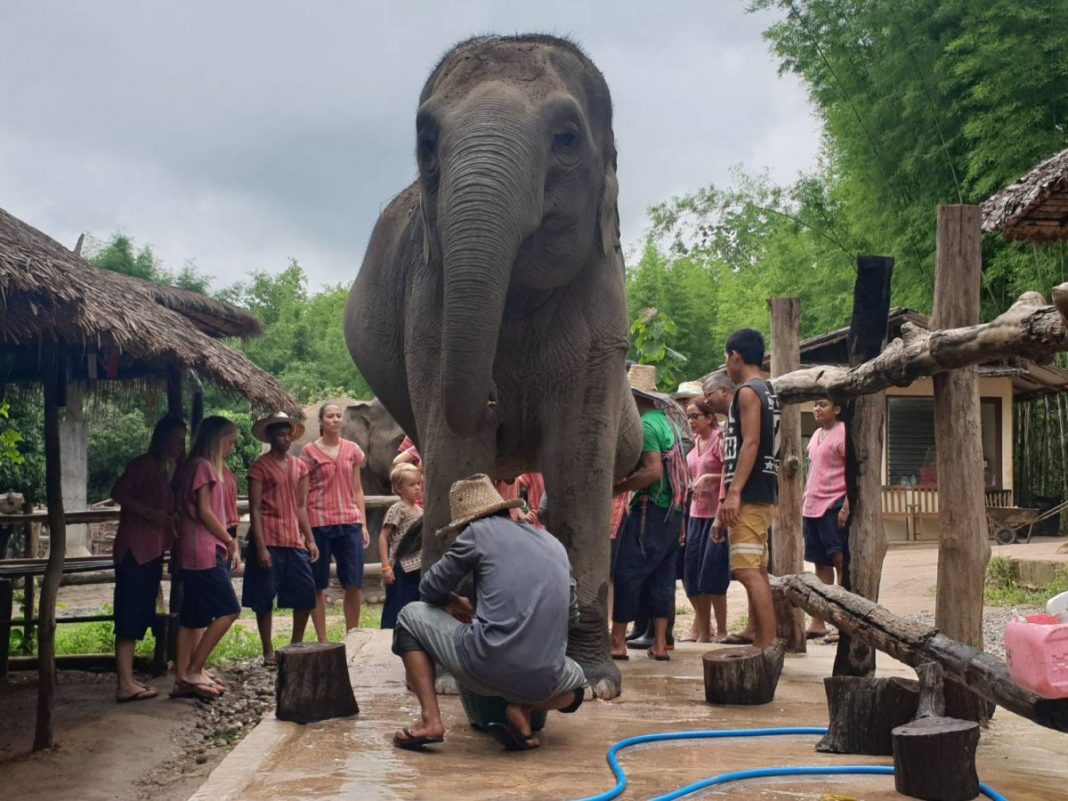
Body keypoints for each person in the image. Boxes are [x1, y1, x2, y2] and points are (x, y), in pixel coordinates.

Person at [391, 474, 586, 752]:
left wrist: (456, 603)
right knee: (577, 686)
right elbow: (571, 616)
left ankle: (430, 720)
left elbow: (430, 589)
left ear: (468, 522)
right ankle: (525, 708)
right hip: (546, 676)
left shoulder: (477, 532)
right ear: (507, 510)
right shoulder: (552, 543)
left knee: (409, 616)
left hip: (485, 664)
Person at [610, 364, 686, 662]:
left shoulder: (646, 426)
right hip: (673, 512)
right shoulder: (668, 422)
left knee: (626, 571)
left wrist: (621, 487)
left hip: (649, 509)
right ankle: (659, 644)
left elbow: (653, 471)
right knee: (661, 576)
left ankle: (616, 641)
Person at [111, 416, 187, 703]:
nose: (180, 445)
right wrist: (149, 513)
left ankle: (128, 678)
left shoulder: (166, 468)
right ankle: (125, 683)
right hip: (135, 549)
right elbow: (118, 493)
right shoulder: (143, 465)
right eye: (176, 439)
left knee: (140, 610)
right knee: (129, 612)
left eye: (183, 440)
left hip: (151, 550)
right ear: (162, 437)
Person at [715, 329, 781, 651]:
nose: (727, 365)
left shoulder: (748, 392)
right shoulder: (768, 390)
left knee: (745, 569)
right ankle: (758, 631)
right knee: (756, 567)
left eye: (726, 359)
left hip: (752, 493)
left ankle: (766, 646)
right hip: (760, 490)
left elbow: (751, 442)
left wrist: (735, 492)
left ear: (735, 357)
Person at [171, 416, 242, 699]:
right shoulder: (203, 467)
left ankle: (182, 677)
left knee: (193, 615)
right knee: (229, 609)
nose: (233, 448)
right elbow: (204, 511)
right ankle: (193, 669)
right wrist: (228, 539)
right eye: (230, 442)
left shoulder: (194, 466)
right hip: (204, 547)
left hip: (194, 547)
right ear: (216, 440)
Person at [245, 412, 319, 665]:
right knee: (264, 598)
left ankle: (294, 645)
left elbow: (301, 506)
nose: (286, 439)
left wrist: (310, 539)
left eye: (288, 434)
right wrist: (261, 547)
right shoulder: (259, 467)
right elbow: (254, 508)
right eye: (280, 434)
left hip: (293, 539)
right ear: (270, 437)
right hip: (269, 538)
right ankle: (267, 650)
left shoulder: (300, 467)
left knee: (306, 593)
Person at [300, 402, 369, 637]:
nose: (335, 420)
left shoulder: (353, 450)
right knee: (318, 583)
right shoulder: (309, 452)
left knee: (353, 581)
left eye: (339, 416)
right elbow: (304, 493)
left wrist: (363, 524)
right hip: (318, 522)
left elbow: (357, 489)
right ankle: (323, 638)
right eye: (330, 416)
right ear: (321, 421)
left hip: (349, 520)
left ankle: (352, 633)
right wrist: (305, 531)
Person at [682, 398, 729, 642]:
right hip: (694, 515)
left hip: (715, 515)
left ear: (709, 417)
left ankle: (721, 629)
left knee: (713, 574)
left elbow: (730, 473)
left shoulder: (719, 441)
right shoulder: (694, 444)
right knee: (691, 575)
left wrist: (708, 477)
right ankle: (703, 627)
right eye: (689, 417)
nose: (691, 421)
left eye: (695, 416)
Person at [802, 397, 849, 640]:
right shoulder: (816, 435)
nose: (816, 409)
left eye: (823, 404)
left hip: (833, 504)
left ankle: (842, 622)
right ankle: (818, 620)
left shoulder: (842, 433)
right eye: (815, 405)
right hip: (812, 505)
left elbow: (852, 472)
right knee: (820, 564)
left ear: (837, 408)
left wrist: (847, 506)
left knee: (840, 562)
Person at [380, 463, 424, 629]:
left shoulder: (420, 511)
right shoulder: (397, 509)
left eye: (419, 484)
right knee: (396, 602)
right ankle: (388, 632)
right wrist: (386, 567)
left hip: (417, 567)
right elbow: (384, 537)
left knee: (413, 601)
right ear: (399, 488)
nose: (417, 488)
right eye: (412, 485)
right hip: (400, 567)